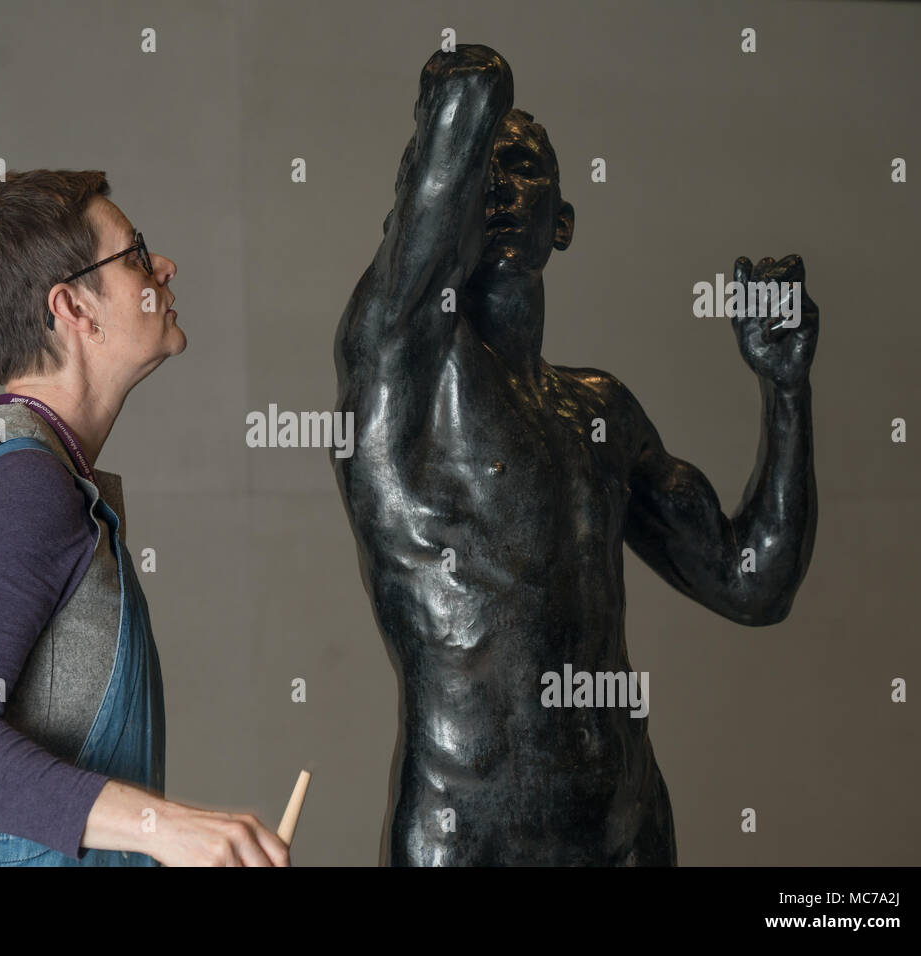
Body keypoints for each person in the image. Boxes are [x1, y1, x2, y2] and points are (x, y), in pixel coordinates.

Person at [333, 45, 818, 864]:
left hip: (626, 834)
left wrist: (788, 392)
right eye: (472, 171)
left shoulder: (600, 413)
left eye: (518, 168)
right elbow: (466, 91)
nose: (492, 186)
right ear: (422, 210)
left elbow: (753, 583)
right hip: (467, 838)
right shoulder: (397, 361)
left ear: (561, 220)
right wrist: (456, 146)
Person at [0, 169, 289, 867]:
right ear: (73, 308)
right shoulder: (22, 484)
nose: (165, 267)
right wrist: (168, 828)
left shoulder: (28, 464)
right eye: (136, 253)